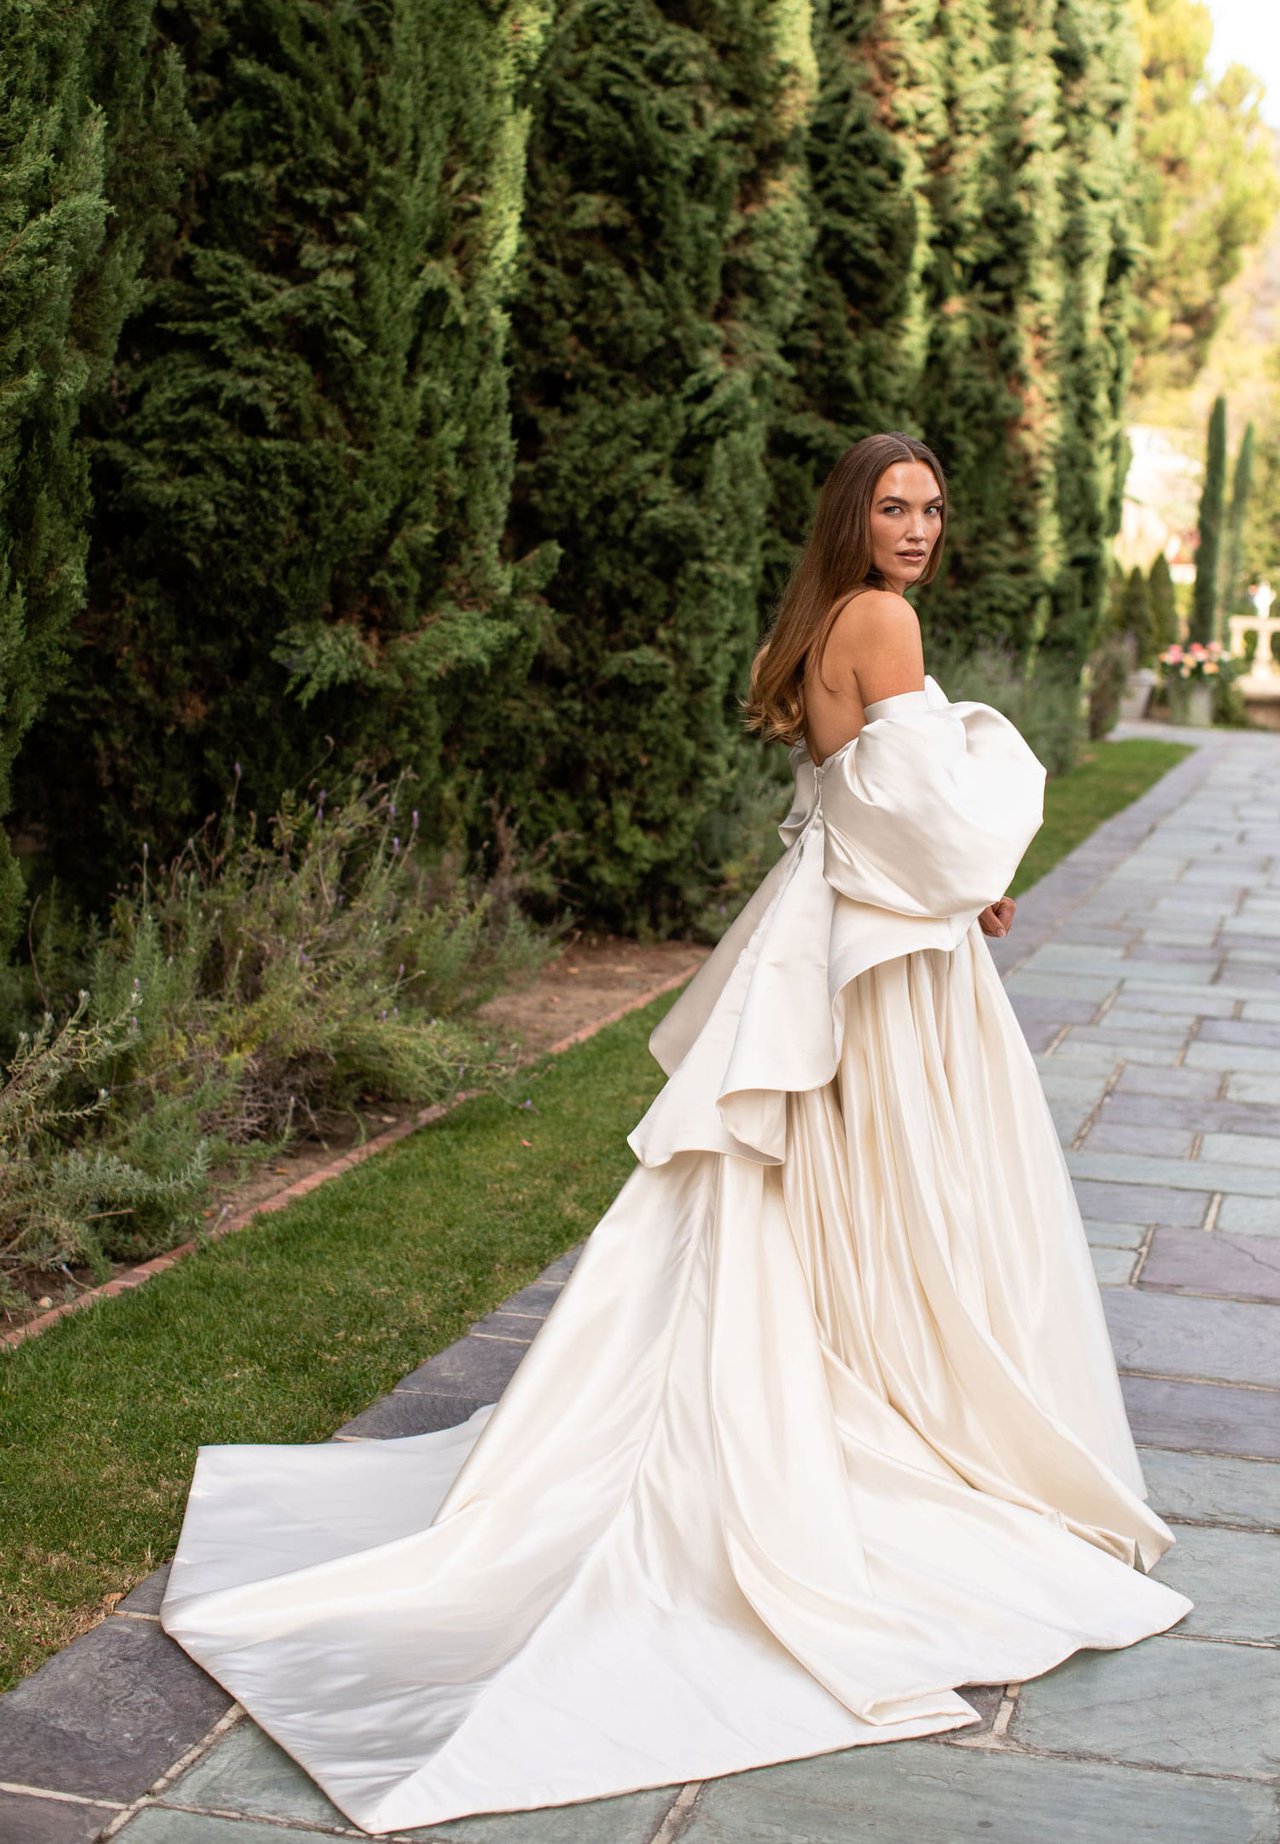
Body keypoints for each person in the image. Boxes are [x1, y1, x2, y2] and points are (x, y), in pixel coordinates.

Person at [160, 431, 1193, 1837]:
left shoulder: (823, 622)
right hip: (881, 969)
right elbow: (942, 830)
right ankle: (883, 1412)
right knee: (911, 1195)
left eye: (933, 508)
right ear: (854, 518)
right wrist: (978, 868)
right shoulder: (883, 621)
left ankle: (826, 1378)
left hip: (847, 937)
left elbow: (867, 810)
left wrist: (955, 880)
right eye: (895, 507)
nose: (919, 528)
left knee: (814, 1191)